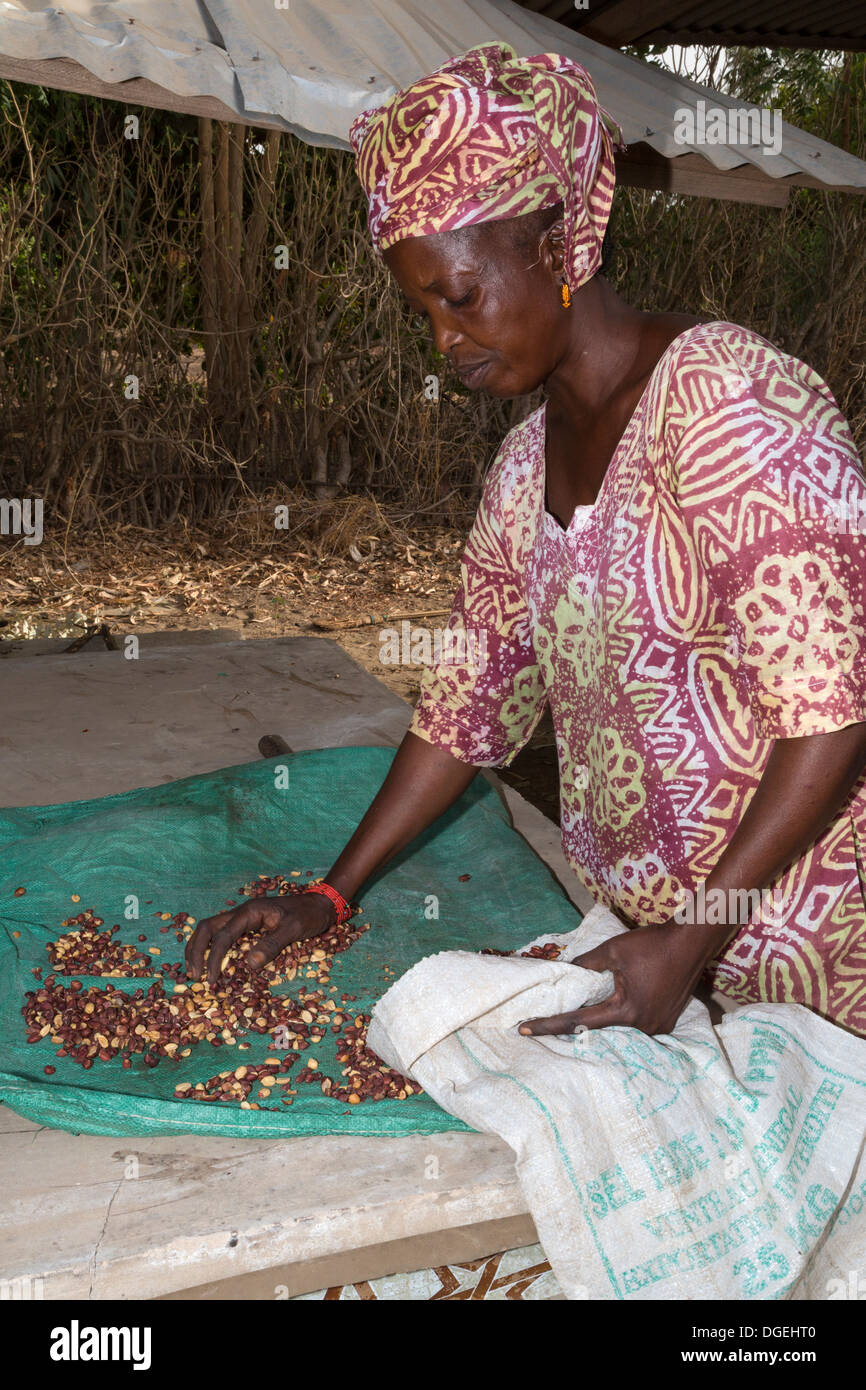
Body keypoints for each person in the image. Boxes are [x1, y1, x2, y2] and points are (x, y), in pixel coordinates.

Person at [188, 43, 866, 1040]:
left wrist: (688, 938)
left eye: (457, 296)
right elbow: (464, 705)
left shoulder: (725, 404)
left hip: (812, 968)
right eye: (419, 307)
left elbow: (833, 713)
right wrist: (330, 897)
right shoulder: (520, 470)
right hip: (646, 958)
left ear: (555, 245)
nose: (442, 341)